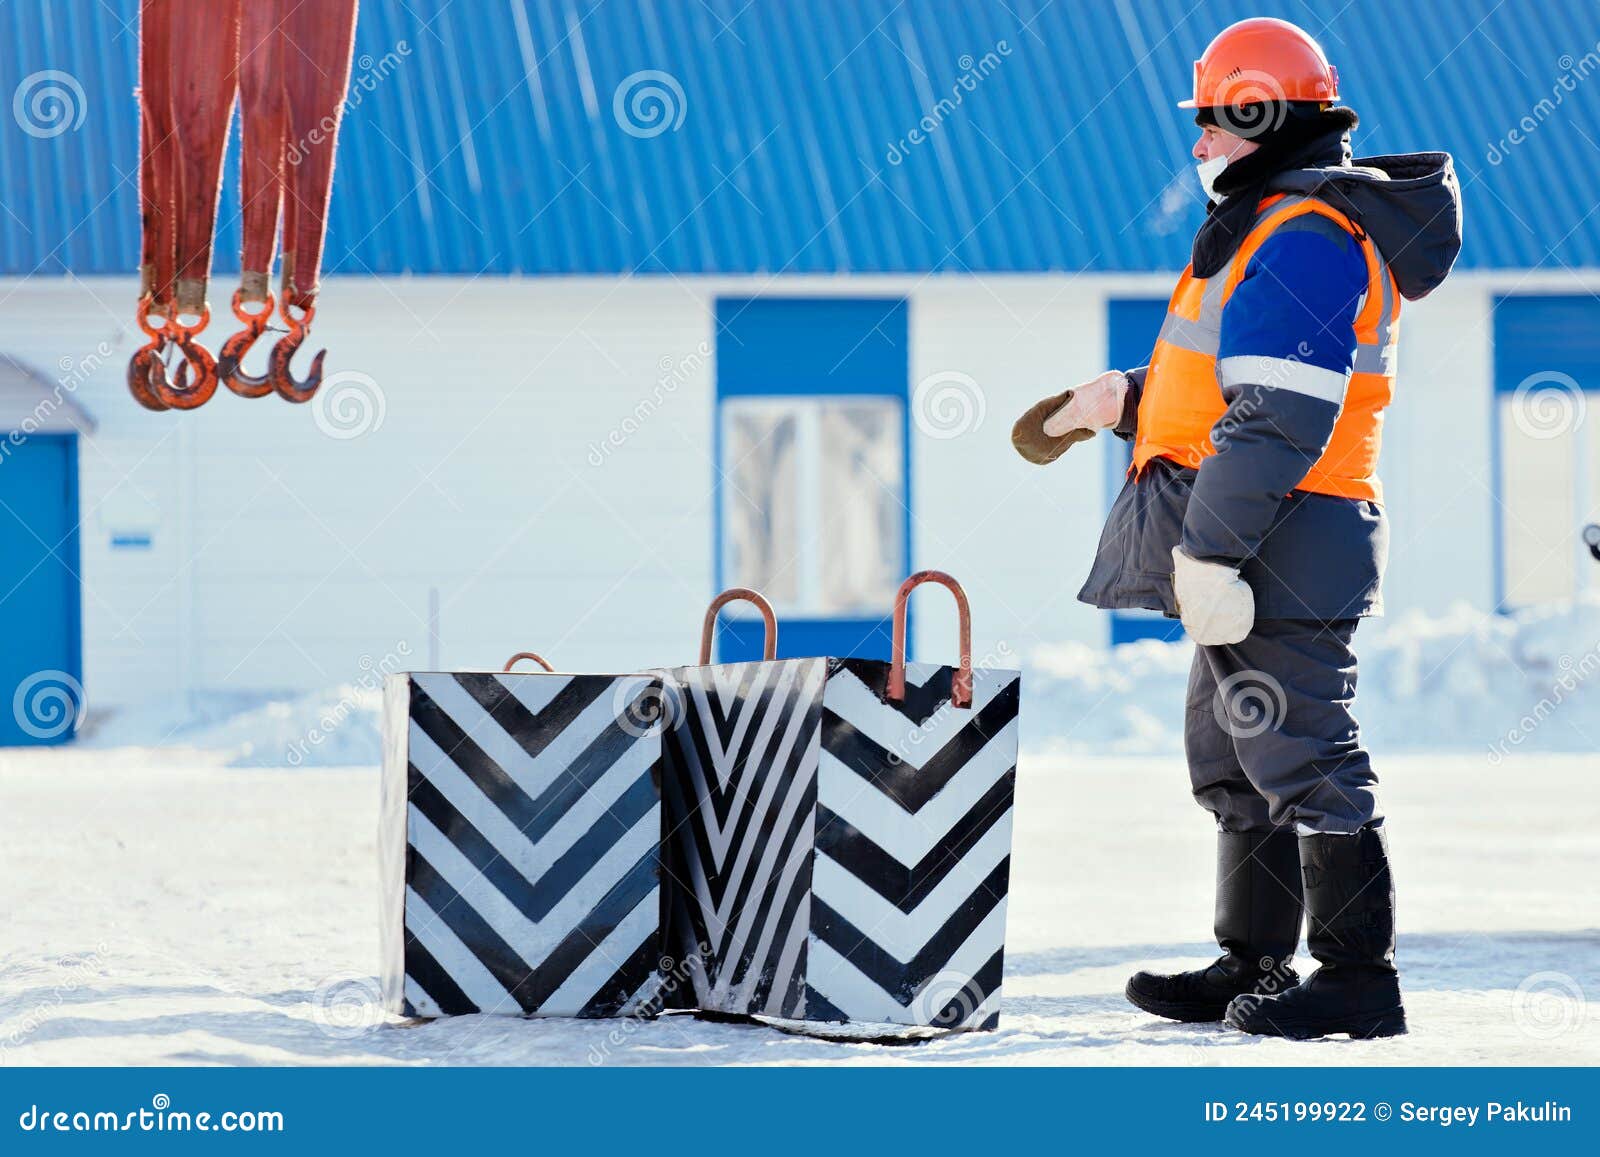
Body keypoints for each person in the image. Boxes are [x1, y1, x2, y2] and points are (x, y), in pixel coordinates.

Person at [1013, 17, 1461, 1039]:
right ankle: (1249, 961)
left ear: (1263, 113)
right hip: (1255, 525)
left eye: (1213, 120)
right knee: (1234, 749)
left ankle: (1355, 976)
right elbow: (1217, 385)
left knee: (1303, 749)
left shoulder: (1304, 238)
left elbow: (1278, 417)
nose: (1198, 144)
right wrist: (1118, 399)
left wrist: (1209, 550)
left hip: (1285, 536)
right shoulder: (1267, 225)